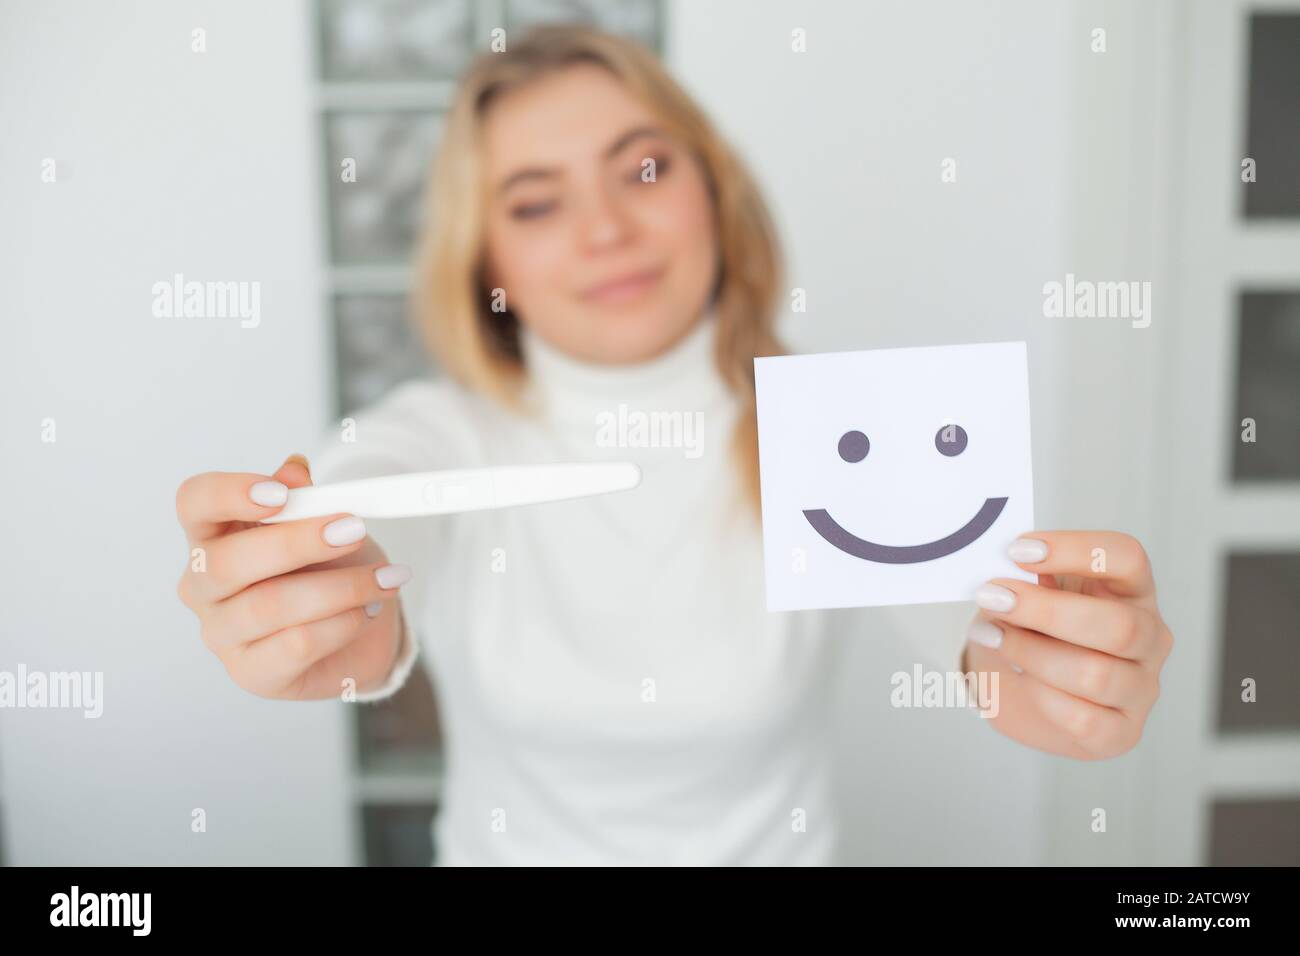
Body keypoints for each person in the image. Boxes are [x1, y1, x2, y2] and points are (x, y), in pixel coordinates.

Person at [174, 26, 1174, 865]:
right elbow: (368, 494)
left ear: (713, 189)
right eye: (534, 201)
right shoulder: (437, 433)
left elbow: (969, 608)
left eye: (643, 169)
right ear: (487, 260)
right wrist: (321, 591)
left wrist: (1052, 662)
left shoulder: (834, 428)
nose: (605, 227)